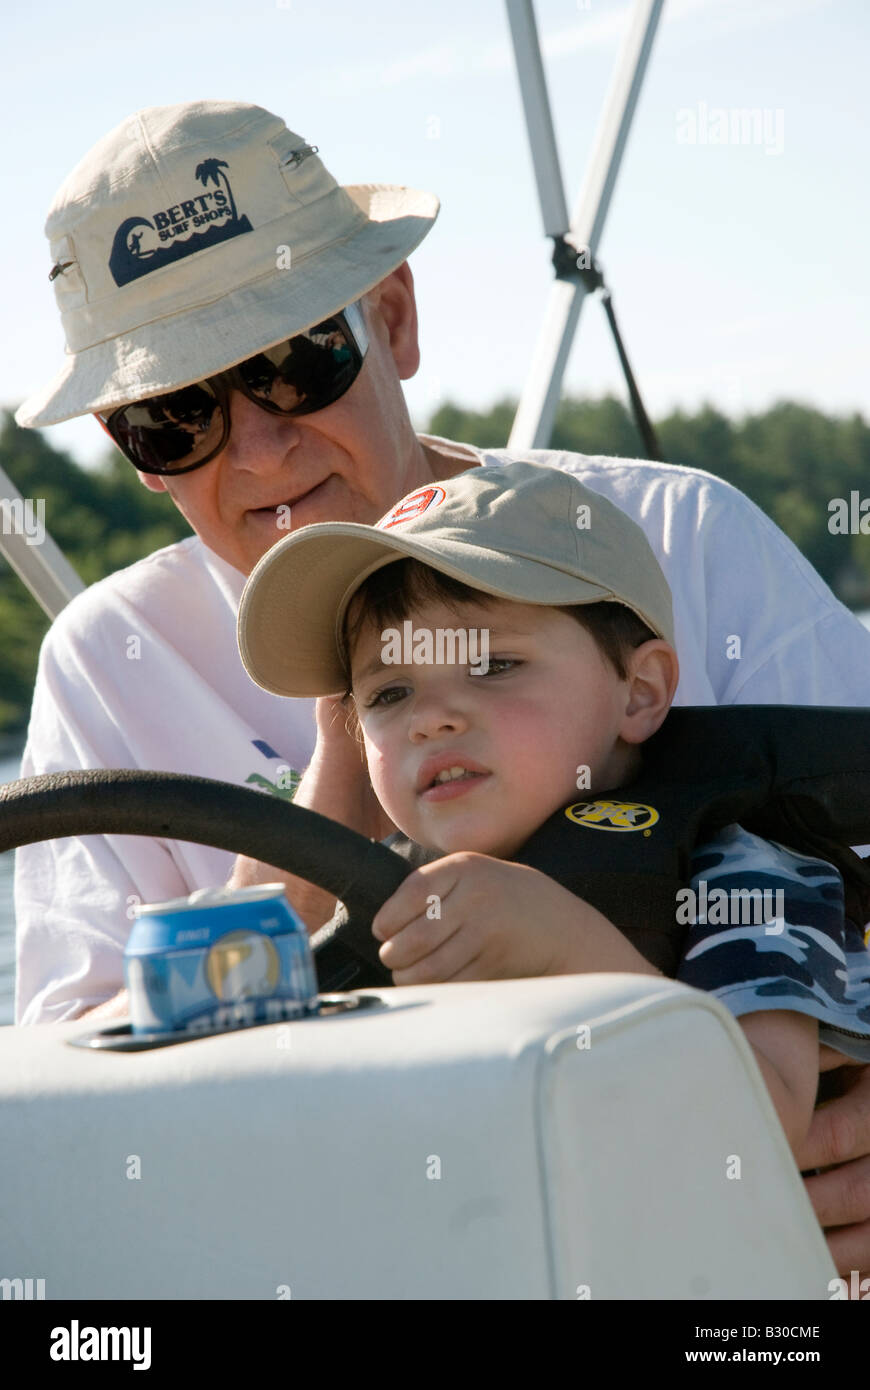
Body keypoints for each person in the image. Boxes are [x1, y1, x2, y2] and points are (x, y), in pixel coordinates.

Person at [10, 98, 870, 1274]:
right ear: (127, 451)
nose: (259, 451)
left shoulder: (687, 541)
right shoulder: (108, 670)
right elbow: (82, 1111)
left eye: (291, 361)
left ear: (394, 319)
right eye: (176, 418)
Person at [235, 459, 870, 1160]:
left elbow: (764, 1122)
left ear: (640, 691)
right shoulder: (387, 900)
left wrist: (568, 949)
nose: (431, 719)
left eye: (494, 666)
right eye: (389, 694)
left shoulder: (741, 876)